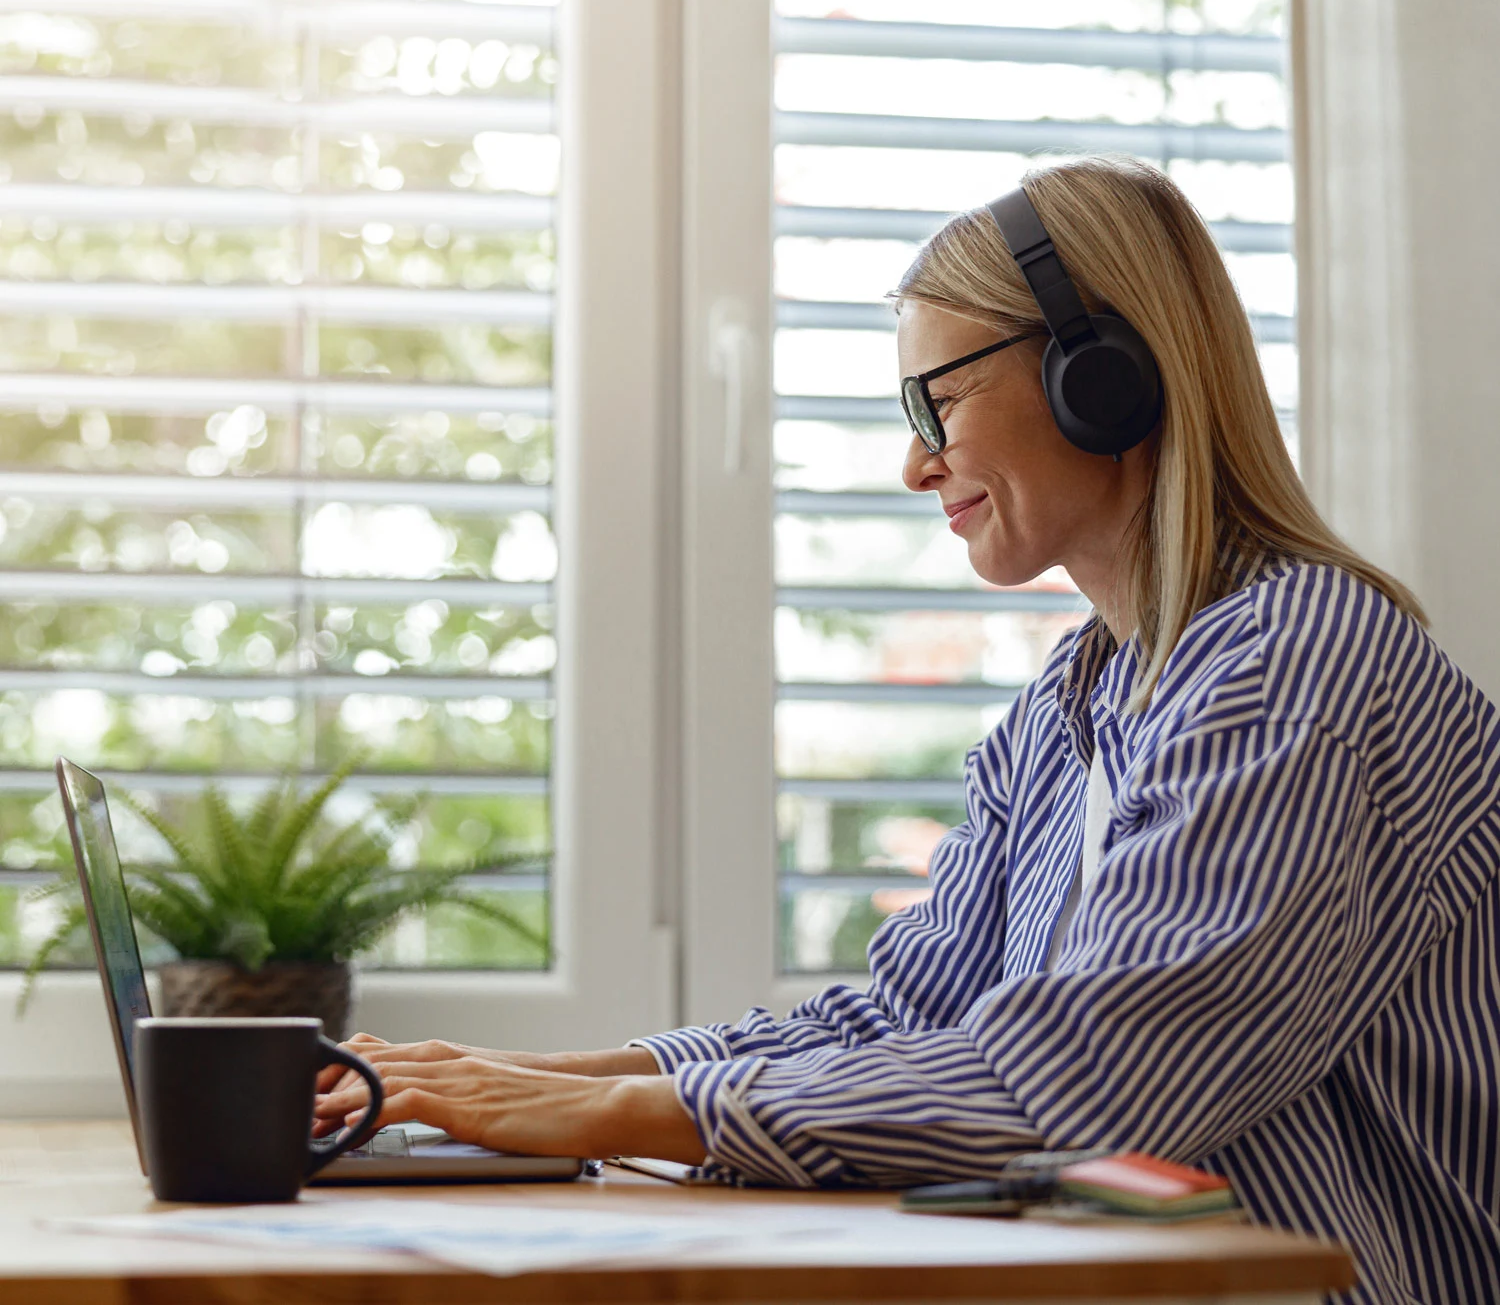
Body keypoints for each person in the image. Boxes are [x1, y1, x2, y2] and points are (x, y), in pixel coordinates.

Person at [316, 155, 1500, 1305]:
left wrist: (589, 1114)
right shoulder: (1073, 702)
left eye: (937, 396)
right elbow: (906, 1019)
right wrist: (529, 1076)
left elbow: (1094, 1087)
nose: (913, 460)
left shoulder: (1295, 667)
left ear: (1106, 373)